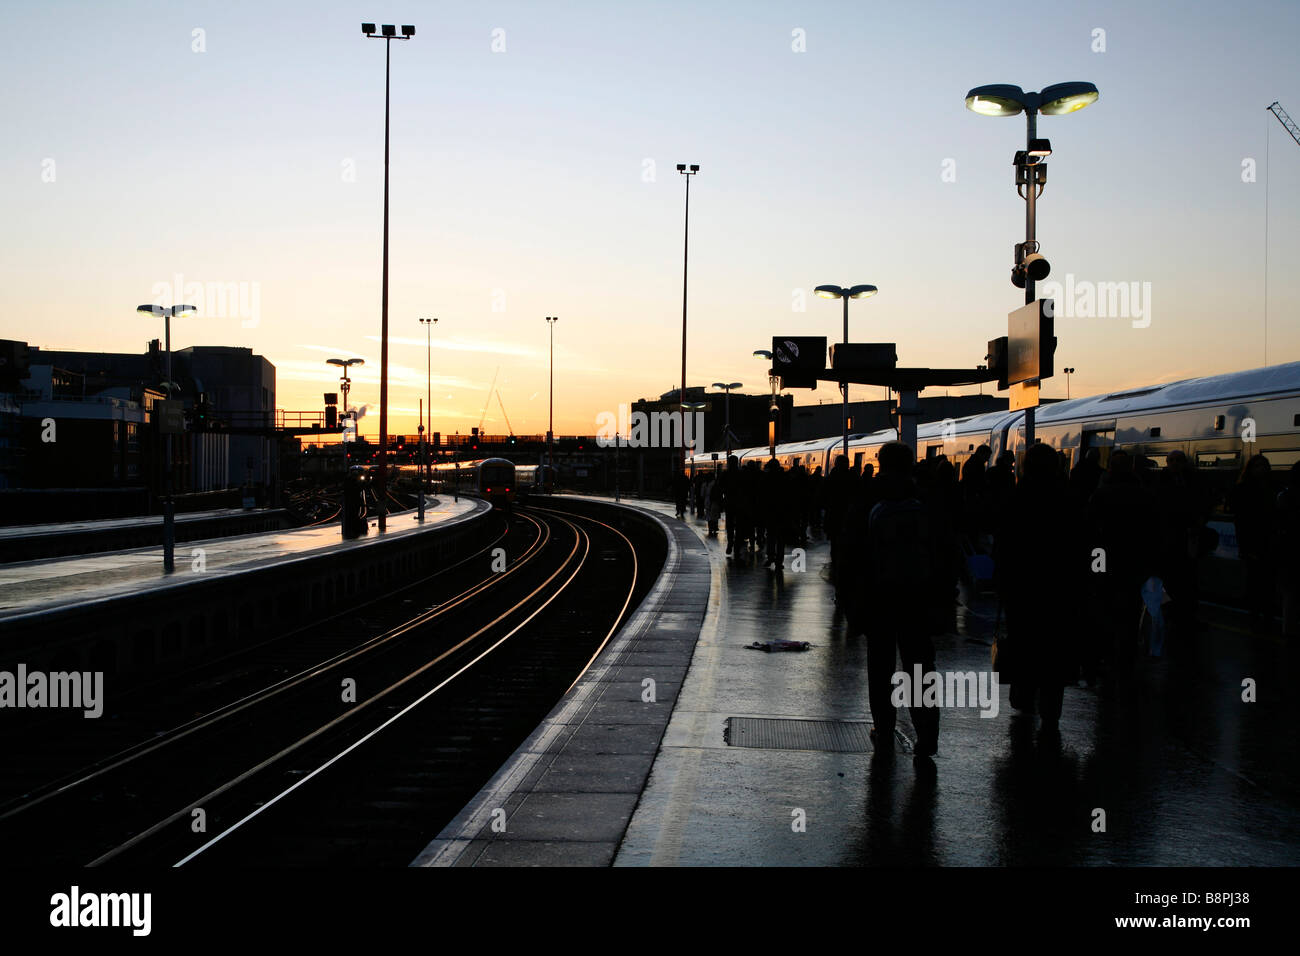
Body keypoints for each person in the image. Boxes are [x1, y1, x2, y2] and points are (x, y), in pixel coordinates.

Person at [843, 441, 940, 764]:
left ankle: (884, 726)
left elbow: (850, 551)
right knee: (919, 666)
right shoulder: (925, 498)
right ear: (910, 464)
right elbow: (944, 549)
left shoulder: (866, 498)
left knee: (881, 664)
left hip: (878, 596)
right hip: (918, 597)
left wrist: (849, 599)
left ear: (880, 464)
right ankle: (926, 732)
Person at [994, 443, 1077, 725]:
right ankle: (1052, 707)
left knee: (1024, 641)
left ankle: (1024, 694)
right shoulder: (1069, 499)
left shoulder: (1015, 498)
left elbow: (1003, 544)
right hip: (1060, 588)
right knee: (1056, 646)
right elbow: (1087, 545)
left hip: (1022, 588)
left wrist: (1002, 579)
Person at [1231, 455, 1277, 630]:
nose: (1261, 469)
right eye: (1257, 466)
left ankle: (1266, 614)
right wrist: (1244, 546)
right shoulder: (1243, 490)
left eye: (1263, 466)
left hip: (1270, 541)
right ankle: (1256, 614)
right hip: (1254, 541)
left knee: (1268, 581)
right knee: (1257, 580)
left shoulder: (1271, 487)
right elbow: (1241, 520)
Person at [1276, 461, 1300, 641]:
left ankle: (1289, 631)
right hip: (1291, 551)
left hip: (1288, 551)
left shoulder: (1284, 495)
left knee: (1290, 595)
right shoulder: (1287, 497)